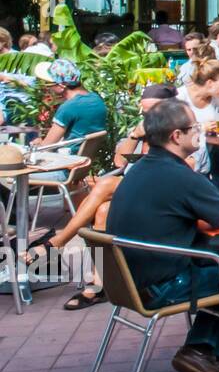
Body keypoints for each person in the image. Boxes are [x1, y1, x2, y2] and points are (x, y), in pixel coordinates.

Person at [107, 98, 219, 372]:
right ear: (176, 136)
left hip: (125, 284)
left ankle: (202, 348)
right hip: (163, 286)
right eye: (194, 127)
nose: (200, 131)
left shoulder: (140, 169)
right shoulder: (181, 175)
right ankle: (215, 354)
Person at [38, 84, 179, 311]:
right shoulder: (143, 130)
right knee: (102, 211)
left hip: (161, 193)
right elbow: (119, 162)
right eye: (145, 112)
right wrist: (135, 135)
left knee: (103, 185)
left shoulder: (181, 132)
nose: (149, 117)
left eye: (154, 111)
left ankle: (58, 241)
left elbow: (186, 168)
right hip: (136, 190)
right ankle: (99, 284)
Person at [176, 58, 219, 184]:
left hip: (211, 150)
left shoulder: (216, 97)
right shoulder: (180, 97)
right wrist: (201, 127)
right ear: (210, 83)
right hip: (188, 153)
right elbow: (172, 130)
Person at [32, 59, 108, 154]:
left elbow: (46, 148)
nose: (47, 88)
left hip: (66, 162)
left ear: (61, 86)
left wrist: (39, 144)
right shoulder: (96, 99)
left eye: (48, 84)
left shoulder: (68, 107)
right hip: (84, 161)